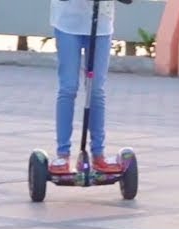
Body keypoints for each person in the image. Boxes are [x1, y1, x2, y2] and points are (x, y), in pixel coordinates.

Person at [49, 0, 120, 175]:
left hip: (101, 24)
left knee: (95, 90)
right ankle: (63, 154)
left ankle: (98, 154)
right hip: (67, 23)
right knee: (68, 87)